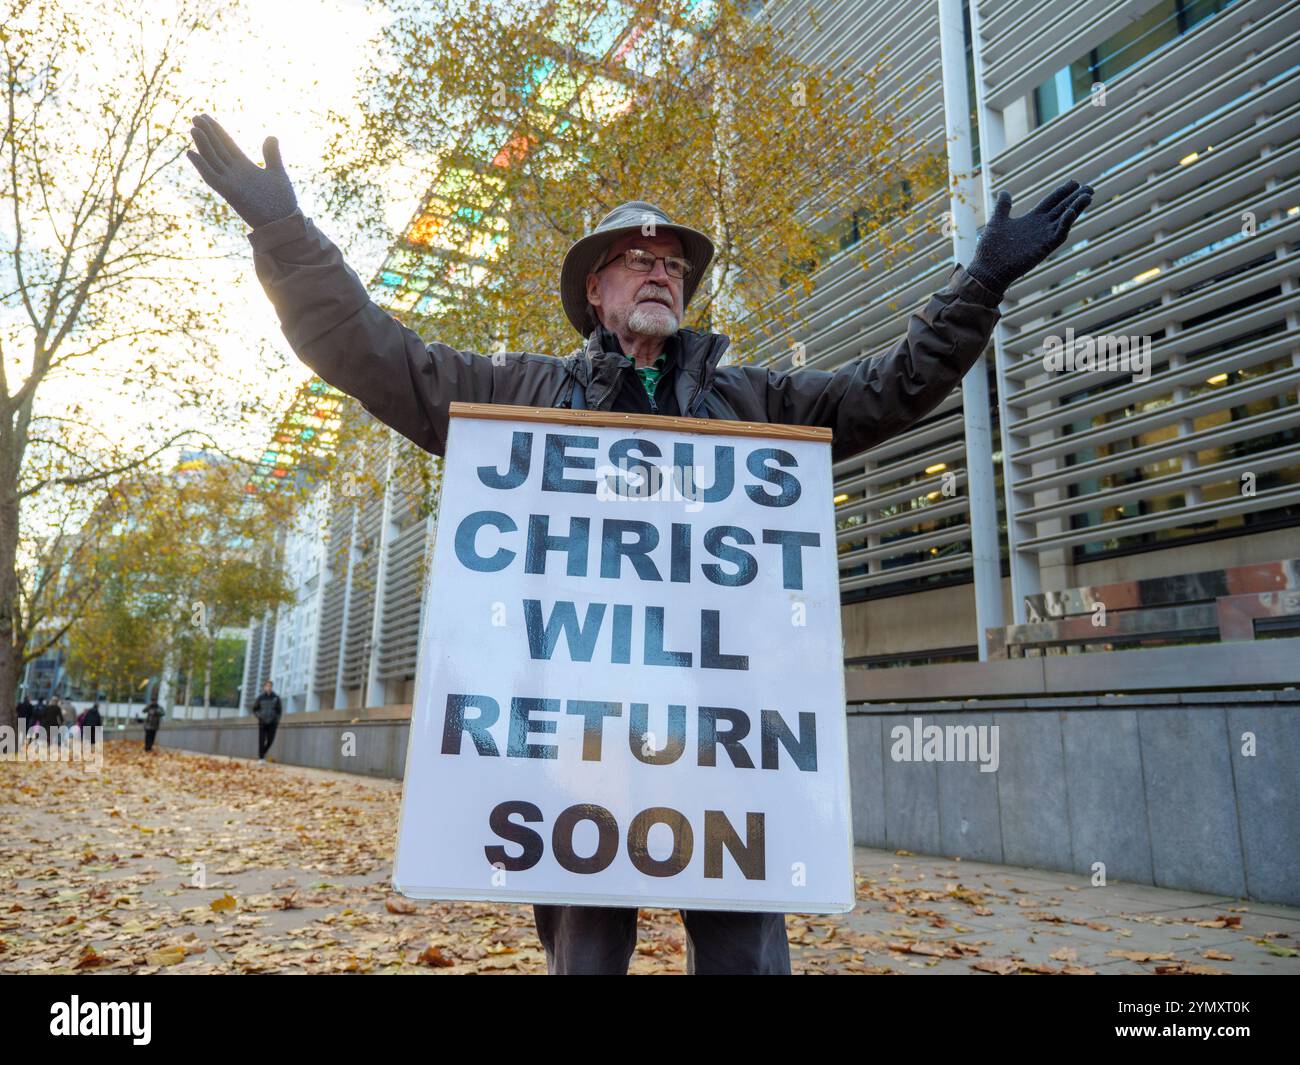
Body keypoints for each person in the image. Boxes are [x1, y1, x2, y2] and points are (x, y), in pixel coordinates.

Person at [187, 113, 1092, 975]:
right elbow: (376, 355)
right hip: (581, 742)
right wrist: (289, 238)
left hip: (726, 740)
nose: (661, 273)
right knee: (585, 956)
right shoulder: (522, 394)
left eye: (673, 265)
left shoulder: (753, 404)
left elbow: (888, 388)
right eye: (637, 260)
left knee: (744, 954)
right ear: (595, 289)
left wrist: (980, 287)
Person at [251, 680, 283, 762]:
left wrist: (276, 720)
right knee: (261, 740)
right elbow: (255, 710)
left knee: (270, 740)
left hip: (272, 723)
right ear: (264, 687)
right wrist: (259, 717)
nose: (268, 688)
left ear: (272, 687)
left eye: (270, 686)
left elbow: (279, 711)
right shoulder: (260, 698)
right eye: (267, 686)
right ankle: (261, 757)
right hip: (262, 723)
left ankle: (263, 753)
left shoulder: (276, 698)